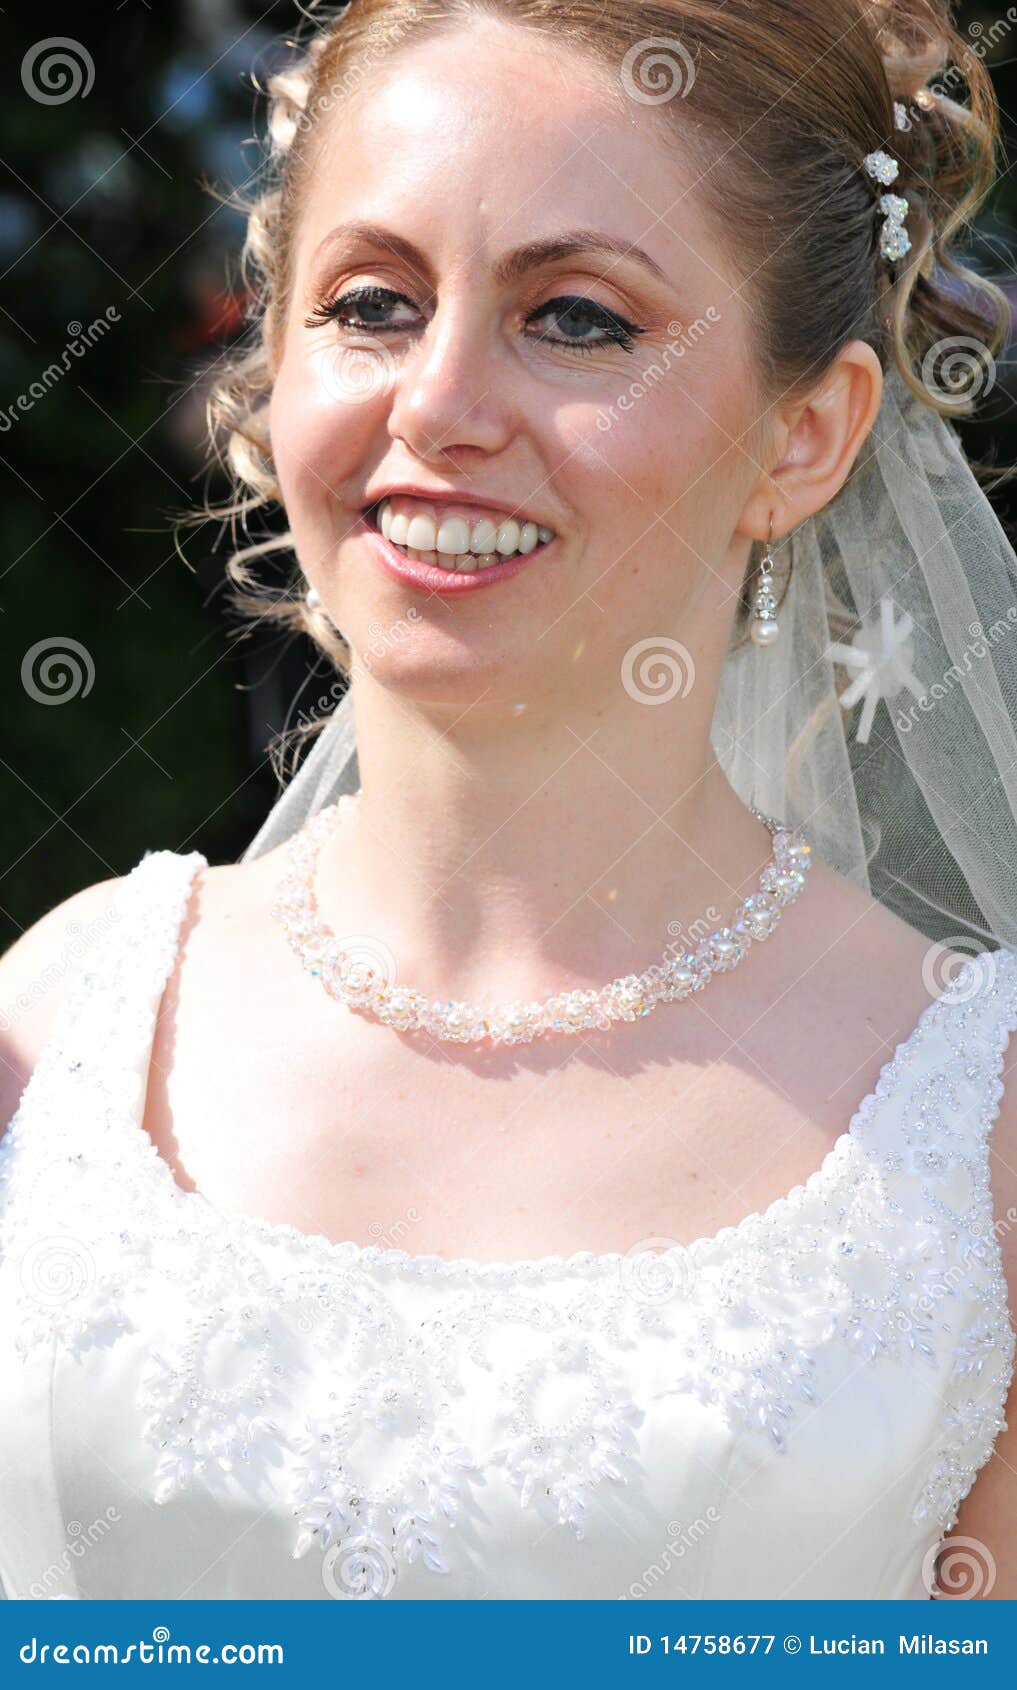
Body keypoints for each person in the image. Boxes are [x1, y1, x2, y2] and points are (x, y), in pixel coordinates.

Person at [1, 0, 1016, 1603]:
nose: (439, 405)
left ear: (804, 433)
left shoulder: (979, 1140)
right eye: (374, 303)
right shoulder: (54, 1032)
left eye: (581, 320)